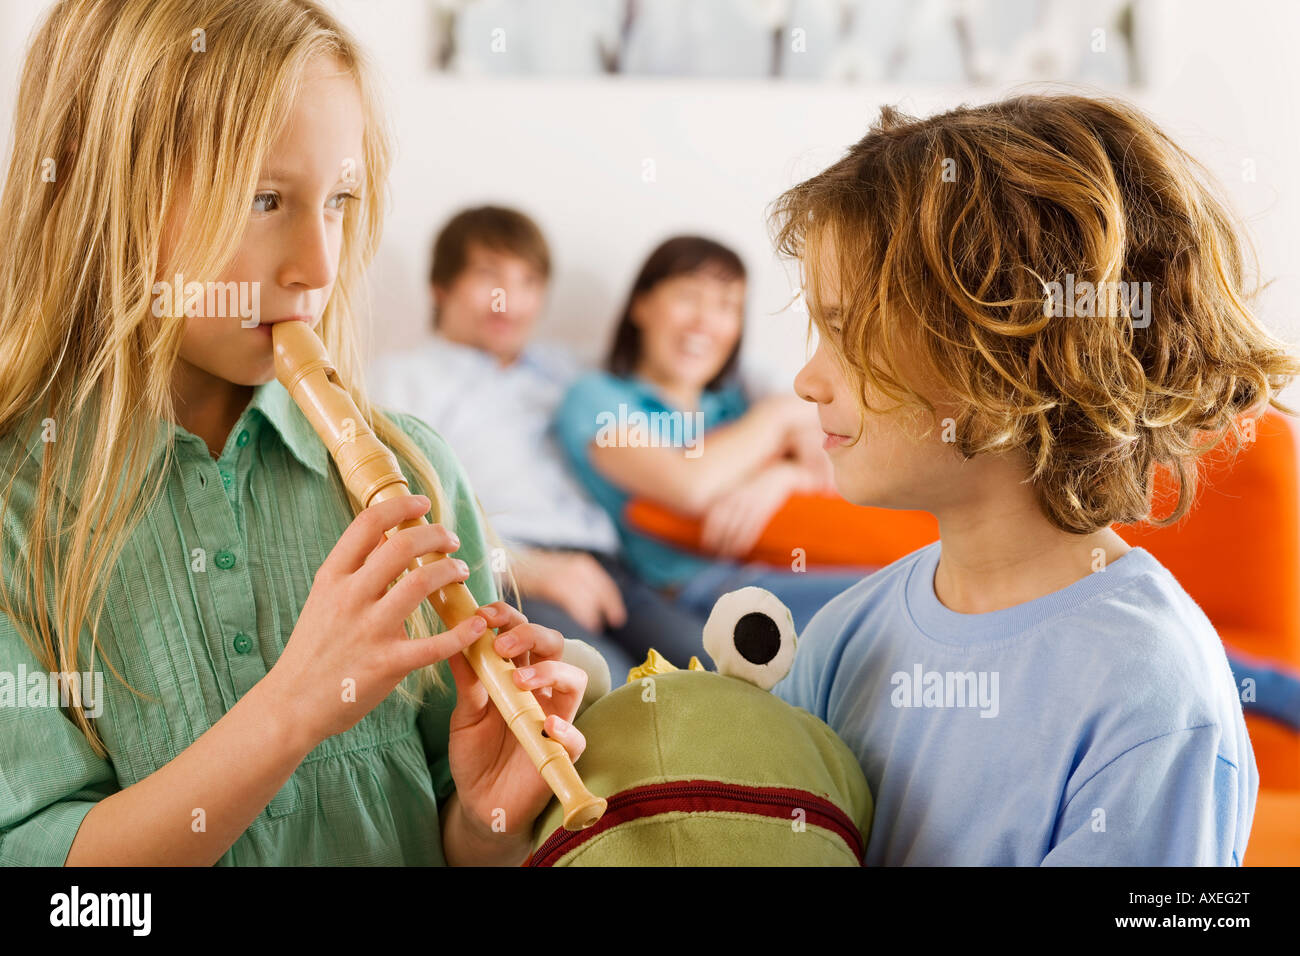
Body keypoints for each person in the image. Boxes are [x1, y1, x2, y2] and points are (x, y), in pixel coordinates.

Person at [0, 0, 588, 866]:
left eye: (340, 200)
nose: (318, 268)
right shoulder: (20, 505)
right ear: (101, 189)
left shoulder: (412, 467)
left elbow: (444, 832)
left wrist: (488, 820)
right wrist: (297, 704)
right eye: (263, 198)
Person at [768, 95, 1300, 864]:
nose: (807, 380)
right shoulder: (846, 637)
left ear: (1007, 357)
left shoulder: (1151, 697)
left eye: (846, 332)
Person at [367, 207, 708, 678]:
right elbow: (393, 517)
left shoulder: (568, 370)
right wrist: (527, 569)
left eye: (529, 282)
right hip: (509, 574)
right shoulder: (402, 380)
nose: (511, 299)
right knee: (608, 688)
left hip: (613, 570)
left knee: (715, 671)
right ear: (440, 287)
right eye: (490, 276)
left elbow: (703, 374)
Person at [555, 236, 875, 634]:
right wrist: (777, 417)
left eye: (727, 306)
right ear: (641, 304)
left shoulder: (736, 399)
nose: (704, 323)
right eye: (689, 297)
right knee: (889, 602)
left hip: (798, 563)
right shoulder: (597, 397)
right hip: (703, 590)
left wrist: (779, 479)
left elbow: (830, 470)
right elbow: (688, 486)